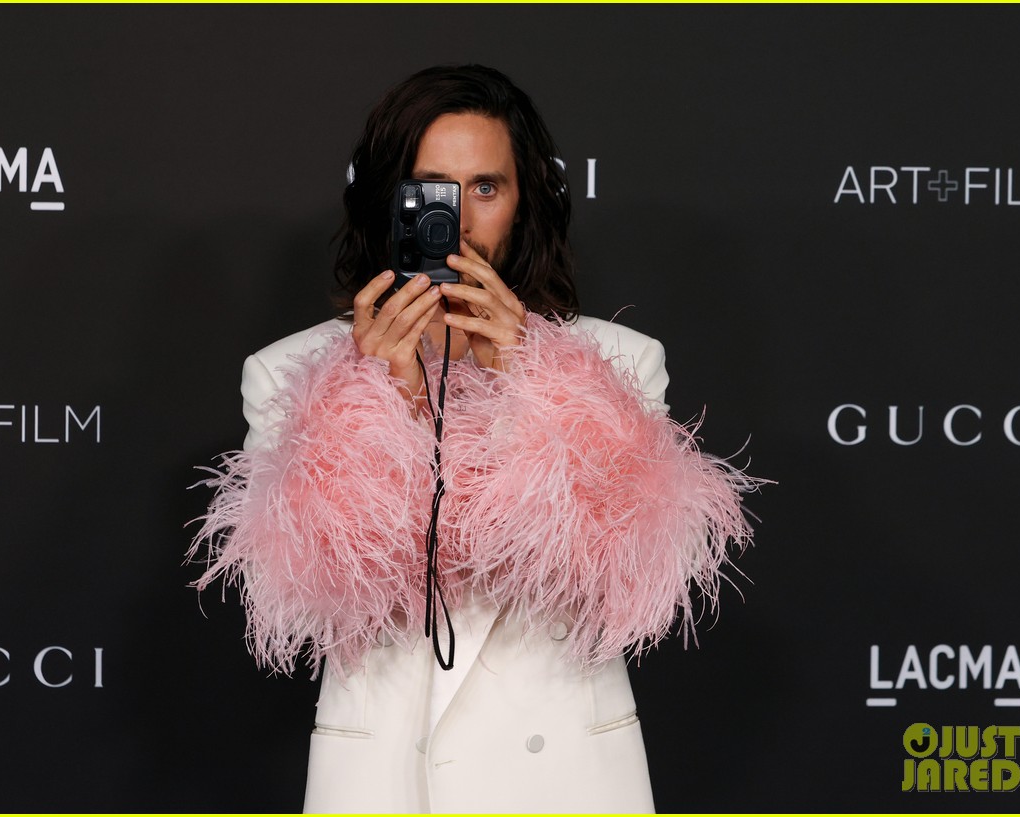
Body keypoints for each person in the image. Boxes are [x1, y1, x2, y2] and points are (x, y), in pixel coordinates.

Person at [191, 64, 755, 813]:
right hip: (389, 776)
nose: (454, 223)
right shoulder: (291, 374)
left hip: (564, 775)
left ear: (526, 203)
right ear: (388, 203)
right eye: (431, 191)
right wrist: (379, 401)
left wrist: (534, 383)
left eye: (485, 188)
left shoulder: (617, 362)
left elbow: (629, 579)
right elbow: (312, 595)